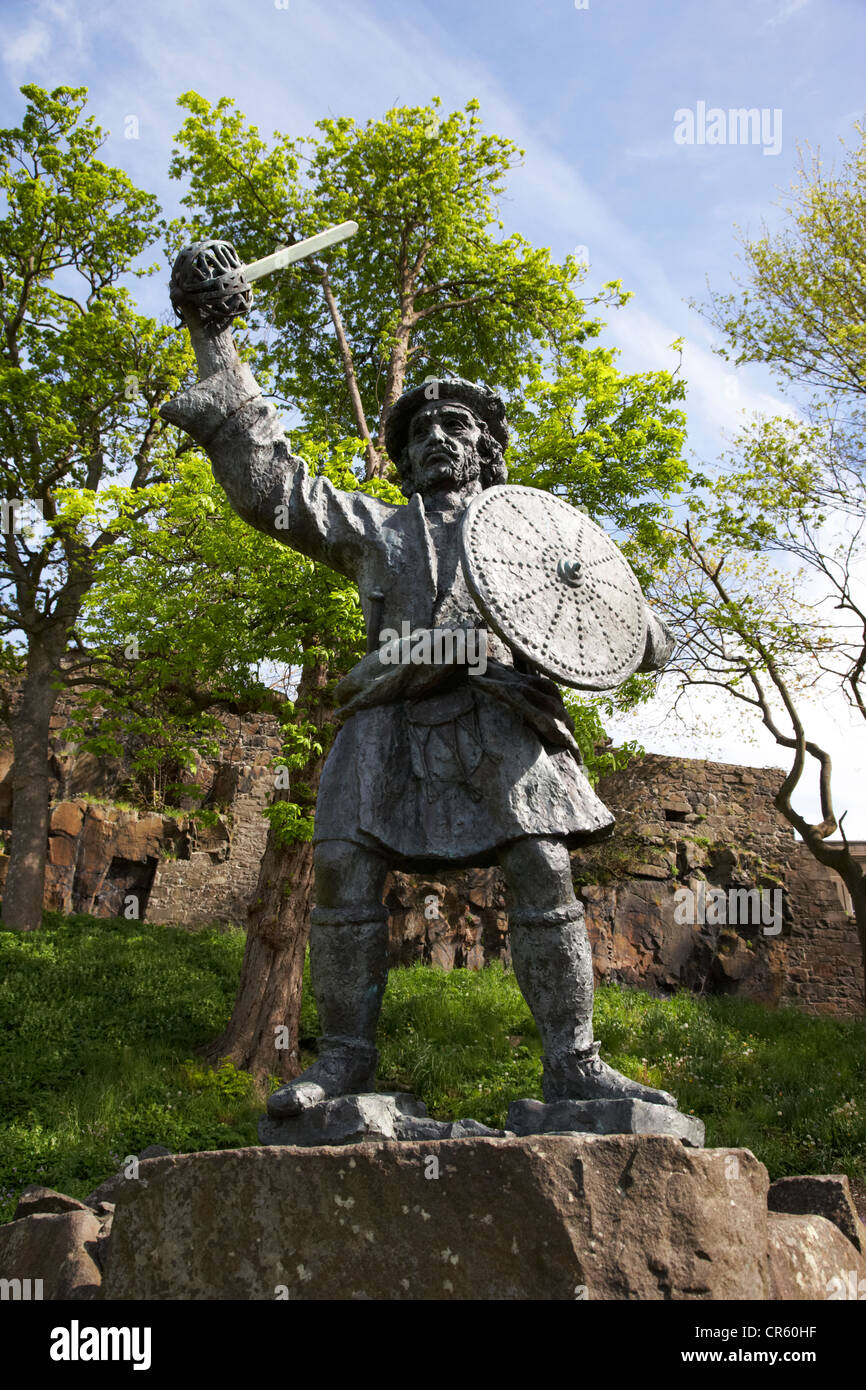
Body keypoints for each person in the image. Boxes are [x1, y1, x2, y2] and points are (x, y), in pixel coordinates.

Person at [162, 250, 677, 1118]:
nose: (438, 436)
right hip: (387, 726)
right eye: (420, 430)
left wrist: (615, 618)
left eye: (458, 427)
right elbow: (271, 489)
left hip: (498, 718)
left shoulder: (536, 538)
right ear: (402, 459)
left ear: (487, 451)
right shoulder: (375, 531)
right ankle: (344, 1066)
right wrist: (216, 341)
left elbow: (639, 634)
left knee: (544, 865)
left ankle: (575, 1064)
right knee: (339, 872)